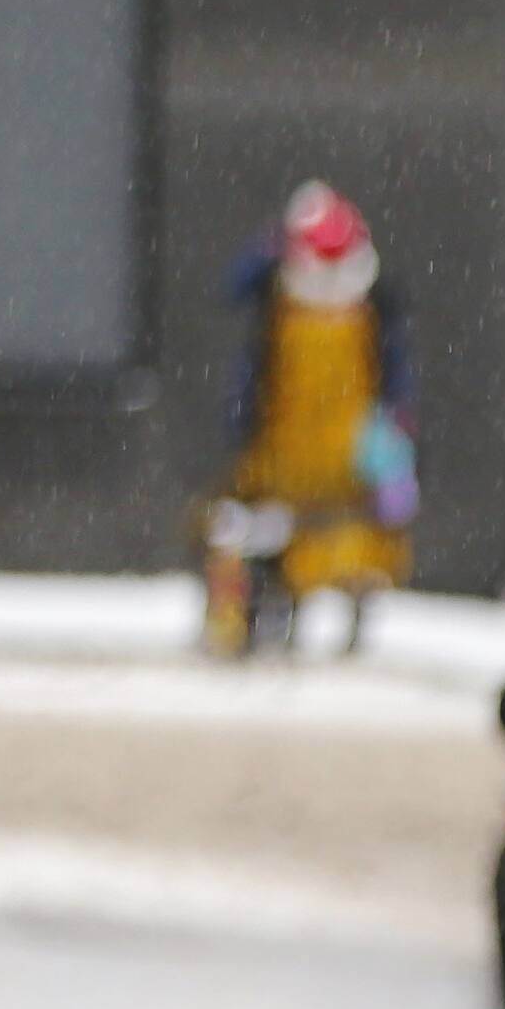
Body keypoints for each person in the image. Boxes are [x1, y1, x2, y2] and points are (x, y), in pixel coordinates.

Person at [202, 181, 418, 656]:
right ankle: (260, 618)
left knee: (341, 543)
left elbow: (393, 373)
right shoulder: (280, 300)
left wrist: (393, 433)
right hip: (288, 451)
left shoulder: (369, 305)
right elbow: (236, 294)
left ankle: (318, 616)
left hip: (336, 455)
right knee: (271, 536)